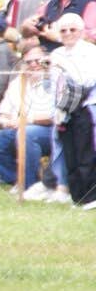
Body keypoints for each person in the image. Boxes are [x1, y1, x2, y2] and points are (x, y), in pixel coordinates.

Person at [0, 51, 55, 189]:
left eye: (38, 61)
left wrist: (26, 120)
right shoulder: (17, 83)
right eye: (28, 62)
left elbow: (54, 117)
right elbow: (4, 111)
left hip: (48, 130)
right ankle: (16, 179)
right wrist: (2, 120)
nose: (33, 65)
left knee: (26, 133)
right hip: (17, 128)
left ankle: (29, 184)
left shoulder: (53, 82)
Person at [48, 12, 96, 206]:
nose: (68, 33)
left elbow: (86, 80)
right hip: (64, 108)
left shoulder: (90, 52)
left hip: (86, 106)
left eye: (72, 29)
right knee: (68, 152)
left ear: (81, 31)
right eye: (63, 30)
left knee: (85, 151)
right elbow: (54, 85)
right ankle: (76, 195)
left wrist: (65, 69)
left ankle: (91, 194)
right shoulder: (57, 53)